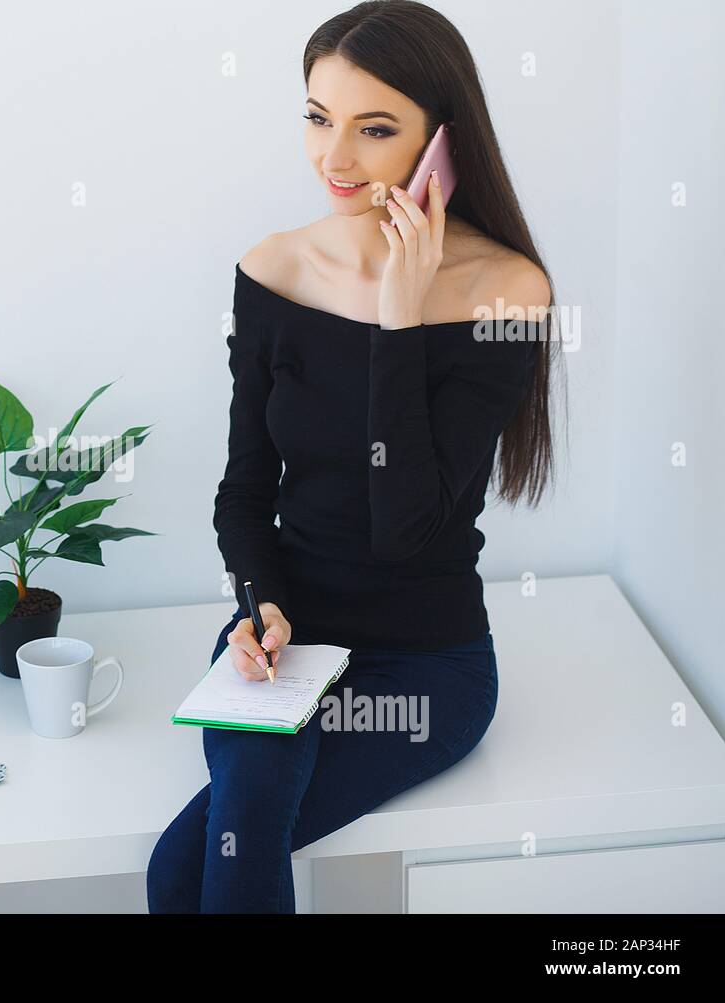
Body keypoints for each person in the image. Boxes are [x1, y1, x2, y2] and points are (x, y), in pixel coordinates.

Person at [147, 0, 560, 914]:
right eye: (317, 117)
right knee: (177, 867)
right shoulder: (273, 270)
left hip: (427, 663)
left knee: (193, 865)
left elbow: (409, 528)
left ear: (441, 140)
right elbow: (245, 490)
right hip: (285, 644)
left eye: (374, 130)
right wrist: (258, 606)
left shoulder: (510, 290)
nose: (333, 158)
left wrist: (396, 320)